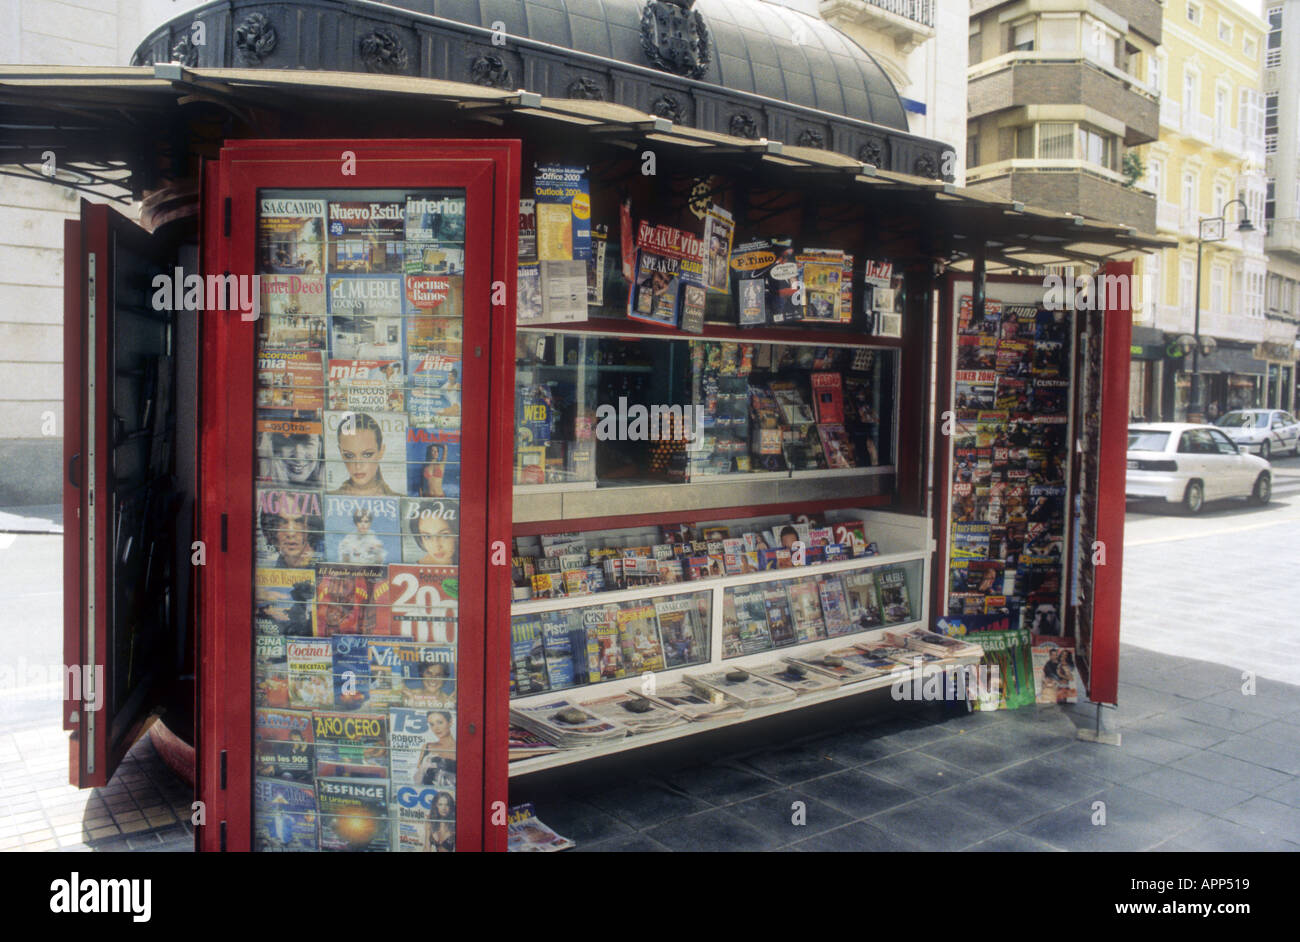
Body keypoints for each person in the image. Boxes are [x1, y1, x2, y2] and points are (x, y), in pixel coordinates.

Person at [331, 412, 399, 495]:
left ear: (381, 451)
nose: (358, 466)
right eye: (349, 455)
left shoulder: (400, 501)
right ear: (340, 453)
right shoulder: (329, 498)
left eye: (367, 455)